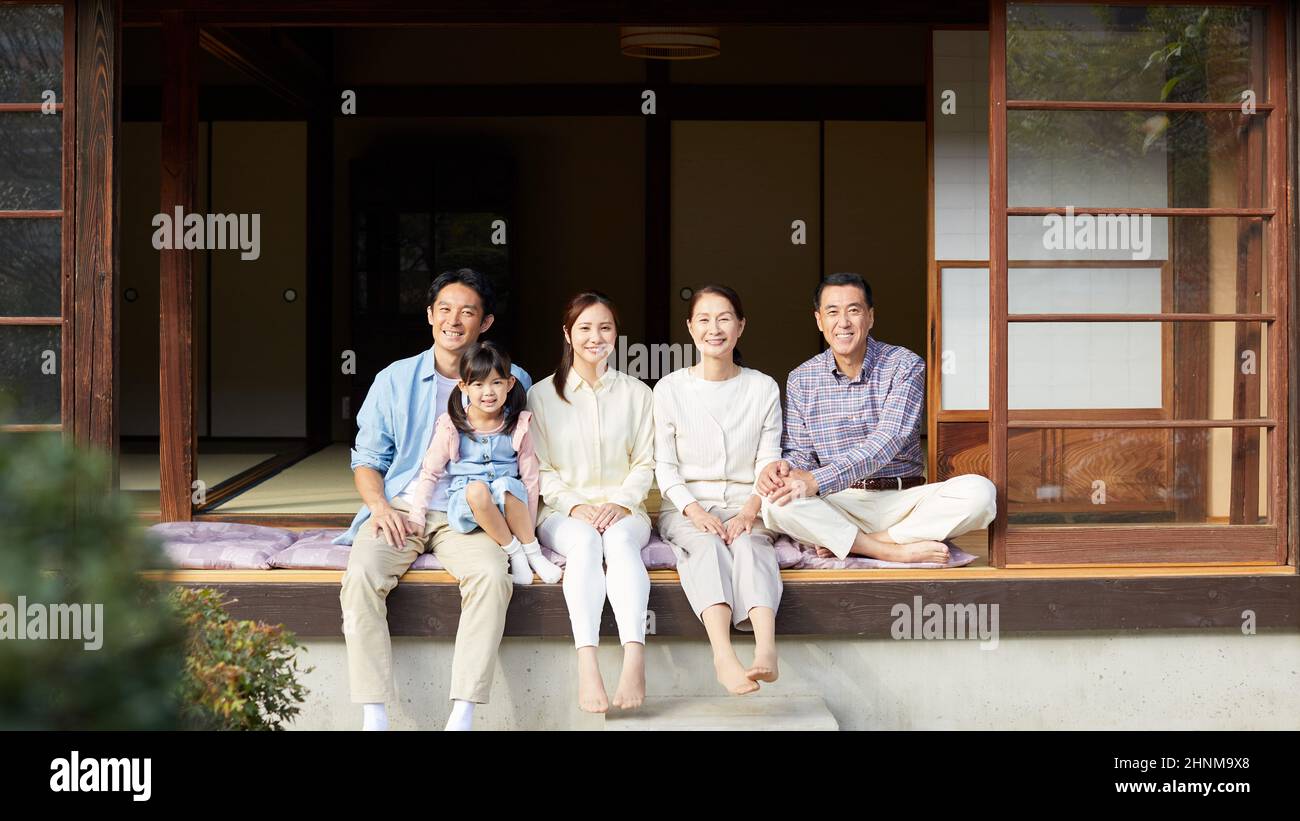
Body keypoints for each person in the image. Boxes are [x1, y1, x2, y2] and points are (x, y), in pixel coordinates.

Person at [336, 268, 532, 732]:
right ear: (429, 315)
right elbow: (366, 458)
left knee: (489, 575)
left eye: (468, 311)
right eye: (444, 309)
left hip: (470, 512)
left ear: (485, 323)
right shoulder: (395, 378)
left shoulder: (512, 378)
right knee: (362, 574)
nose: (454, 320)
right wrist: (381, 507)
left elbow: (529, 454)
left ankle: (462, 713)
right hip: (403, 506)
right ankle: (374, 714)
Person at [759, 272, 996, 564]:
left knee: (980, 493)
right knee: (774, 504)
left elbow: (887, 441)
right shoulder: (801, 378)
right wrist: (787, 471)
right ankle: (889, 549)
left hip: (901, 501)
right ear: (819, 320)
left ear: (870, 317)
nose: (843, 322)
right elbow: (802, 456)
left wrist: (814, 479)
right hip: (838, 502)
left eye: (854, 310)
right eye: (832, 312)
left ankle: (860, 542)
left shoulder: (904, 365)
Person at [527, 292, 654, 713]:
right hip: (563, 513)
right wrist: (576, 506)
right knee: (583, 542)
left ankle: (634, 658)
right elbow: (539, 468)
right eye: (584, 327)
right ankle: (588, 663)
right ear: (567, 334)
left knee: (618, 542)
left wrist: (620, 503)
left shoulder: (637, 393)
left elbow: (646, 461)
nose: (595, 337)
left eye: (605, 328)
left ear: (616, 335)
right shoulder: (542, 396)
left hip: (626, 510)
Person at [653, 285, 784, 696]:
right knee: (707, 548)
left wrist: (749, 511)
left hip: (749, 501)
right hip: (688, 506)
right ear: (690, 328)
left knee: (750, 545)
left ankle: (766, 649)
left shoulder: (762, 387)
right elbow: (665, 466)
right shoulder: (669, 389)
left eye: (724, 318)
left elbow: (769, 459)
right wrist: (694, 512)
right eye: (705, 319)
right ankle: (724, 655)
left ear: (740, 327)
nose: (715, 328)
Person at [405, 341, 561, 587]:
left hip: (508, 503)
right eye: (478, 384)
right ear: (463, 386)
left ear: (510, 384)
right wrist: (417, 516)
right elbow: (430, 473)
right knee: (477, 489)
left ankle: (533, 553)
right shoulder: (451, 426)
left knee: (507, 485)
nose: (488, 392)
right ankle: (515, 552)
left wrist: (528, 531)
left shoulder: (518, 425)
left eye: (496, 382)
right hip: (468, 506)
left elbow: (530, 480)